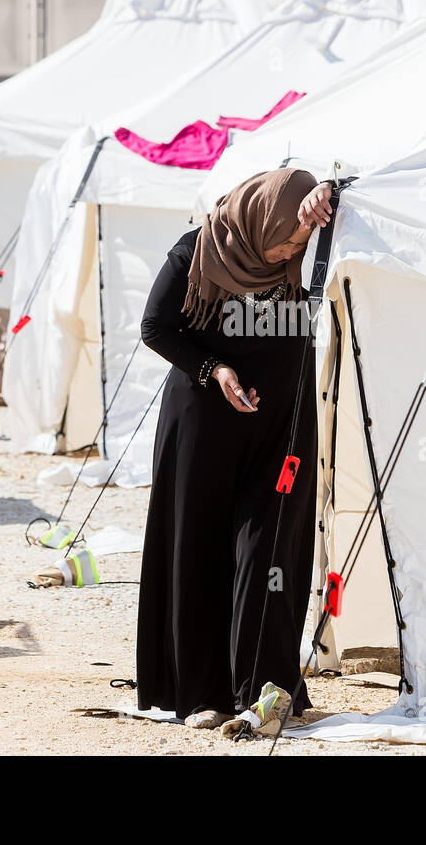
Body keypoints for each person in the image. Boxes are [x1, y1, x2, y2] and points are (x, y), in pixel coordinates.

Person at [136, 167, 333, 729]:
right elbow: (155, 327)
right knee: (200, 550)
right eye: (286, 239)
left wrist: (329, 190)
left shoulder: (308, 246)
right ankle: (203, 692)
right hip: (205, 421)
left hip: (281, 430)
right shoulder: (200, 250)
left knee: (268, 551)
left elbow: (356, 192)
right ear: (260, 218)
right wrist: (214, 368)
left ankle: (266, 689)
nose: (291, 252)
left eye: (300, 242)